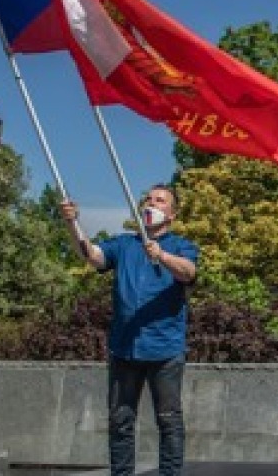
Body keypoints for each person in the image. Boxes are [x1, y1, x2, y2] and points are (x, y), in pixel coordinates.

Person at [61, 185, 198, 476]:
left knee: (169, 420)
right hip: (124, 349)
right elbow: (92, 254)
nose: (151, 204)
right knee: (120, 420)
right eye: (148, 199)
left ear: (172, 214)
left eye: (160, 201)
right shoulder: (124, 245)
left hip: (165, 350)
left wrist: (161, 255)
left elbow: (188, 272)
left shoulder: (181, 245)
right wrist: (73, 223)